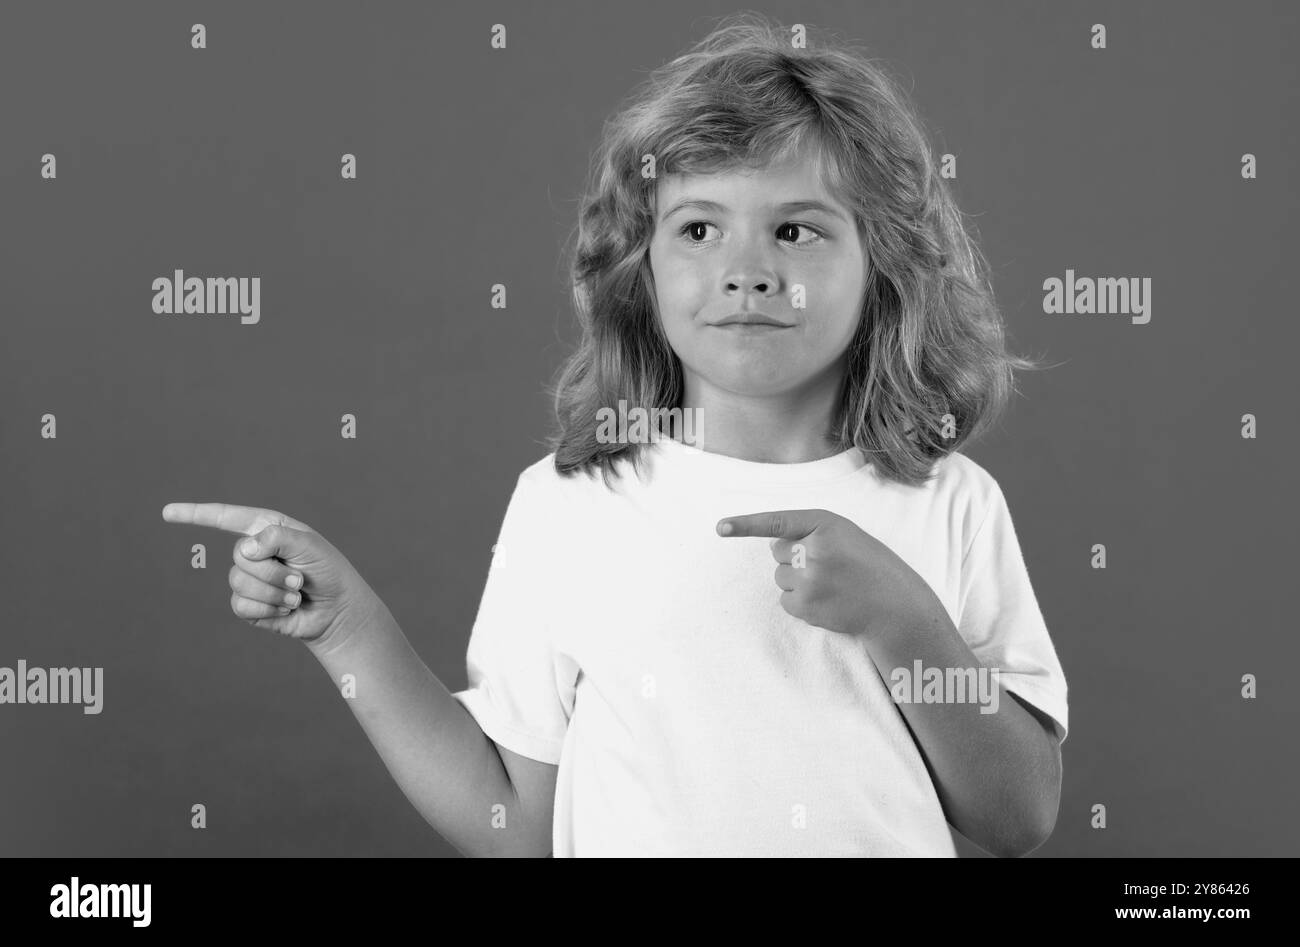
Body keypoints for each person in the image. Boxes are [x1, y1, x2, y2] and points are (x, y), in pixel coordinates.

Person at [163, 13, 1067, 857]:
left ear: (886, 268)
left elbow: (1019, 814)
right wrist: (349, 631)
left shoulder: (950, 504)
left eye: (796, 229)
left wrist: (902, 620)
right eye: (699, 228)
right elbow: (517, 821)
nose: (747, 270)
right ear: (642, 271)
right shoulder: (569, 504)